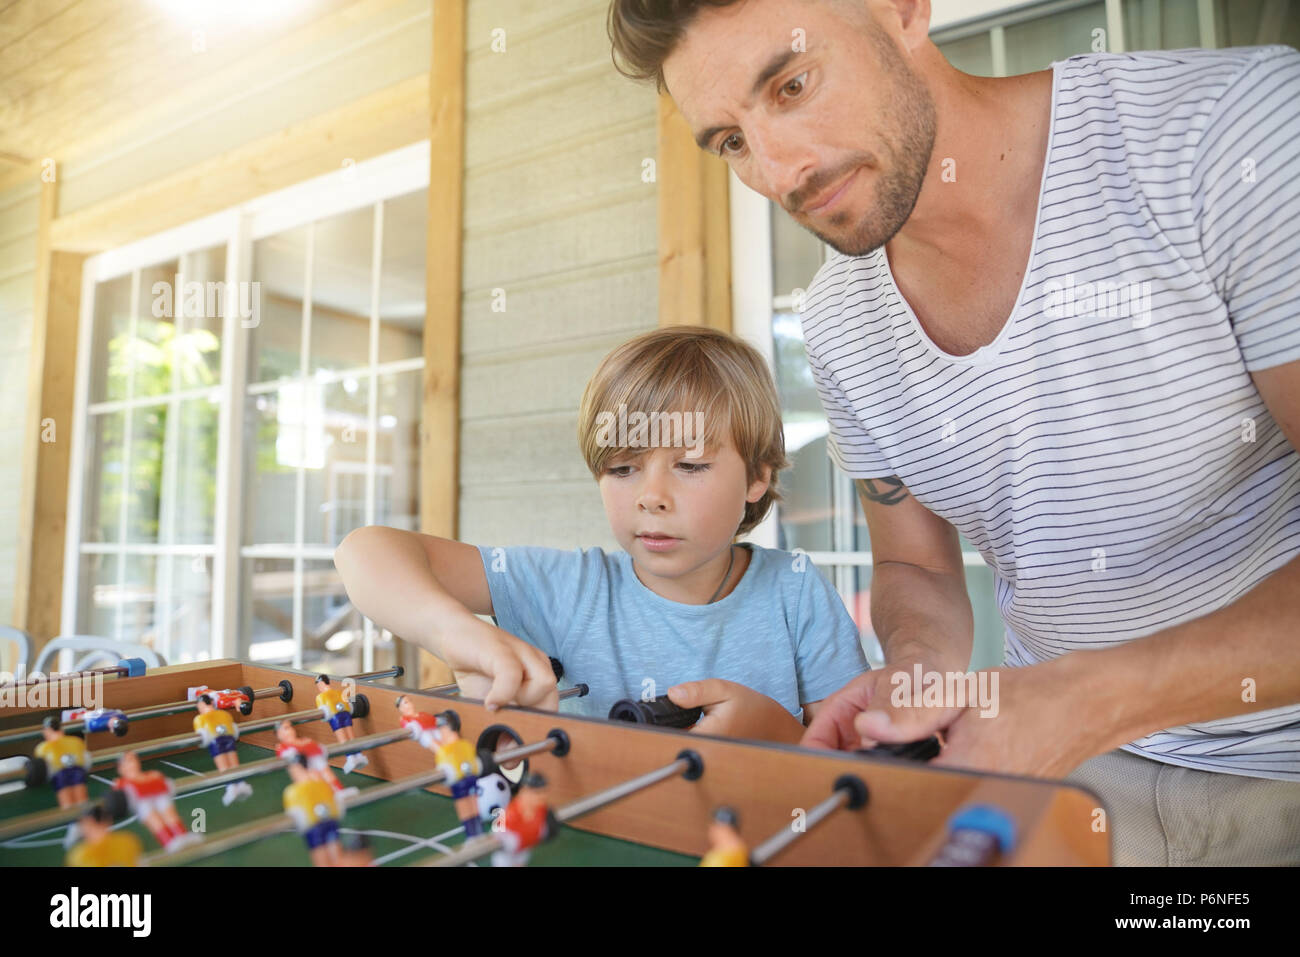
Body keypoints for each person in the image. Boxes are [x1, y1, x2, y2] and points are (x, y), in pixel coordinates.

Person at [606, 0, 1300, 863]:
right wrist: (917, 671)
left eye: (791, 84)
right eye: (731, 142)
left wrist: (1084, 695)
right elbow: (913, 563)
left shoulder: (1234, 135)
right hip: (1055, 768)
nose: (779, 172)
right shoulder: (838, 324)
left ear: (902, 10)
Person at [335, 326, 869, 743]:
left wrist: (782, 738)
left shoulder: (796, 592)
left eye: (690, 465)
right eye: (622, 469)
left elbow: (861, 770)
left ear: (758, 477)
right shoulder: (566, 588)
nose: (650, 495)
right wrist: (458, 632)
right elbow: (363, 553)